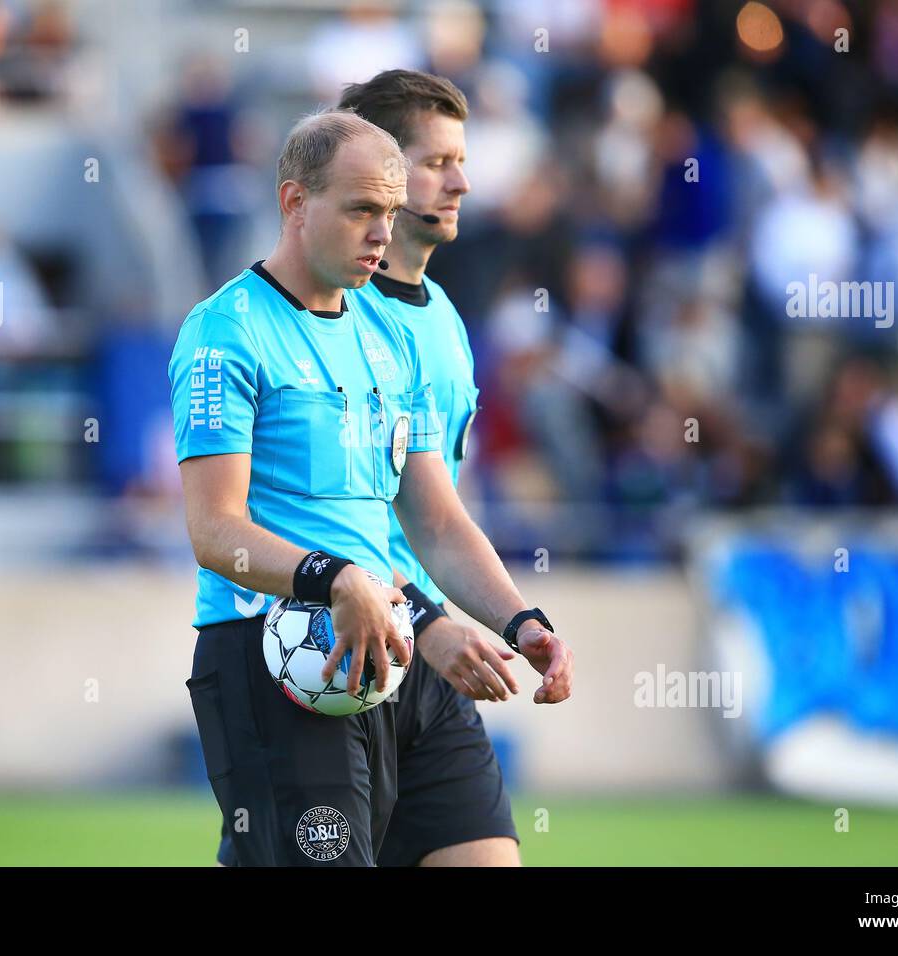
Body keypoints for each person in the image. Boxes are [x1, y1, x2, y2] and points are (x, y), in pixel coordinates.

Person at [169, 109, 572, 866]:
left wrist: (521, 619)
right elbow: (214, 530)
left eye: (389, 211)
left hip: (383, 653)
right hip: (272, 653)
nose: (382, 233)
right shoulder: (226, 331)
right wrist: (335, 579)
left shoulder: (389, 336)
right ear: (295, 203)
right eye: (361, 210)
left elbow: (436, 521)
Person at [341, 69, 574, 867]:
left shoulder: (443, 319)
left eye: (462, 161)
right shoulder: (328, 313)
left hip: (424, 653)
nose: (461, 182)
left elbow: (436, 516)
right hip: (332, 645)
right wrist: (427, 621)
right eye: (437, 161)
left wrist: (519, 619)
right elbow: (328, 514)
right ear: (380, 174)